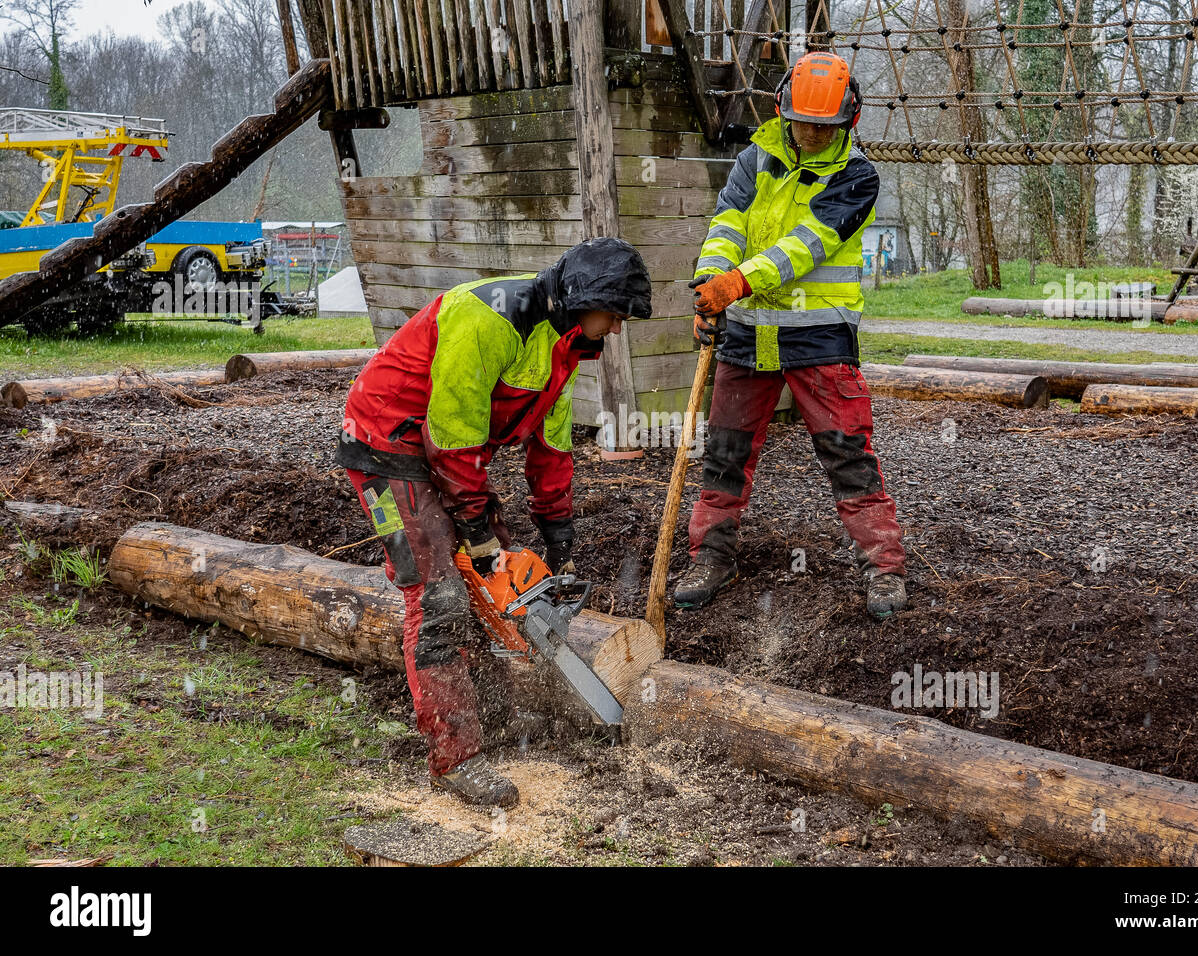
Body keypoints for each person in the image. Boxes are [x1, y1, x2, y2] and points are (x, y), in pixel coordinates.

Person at [335, 237, 652, 807]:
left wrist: (560, 536)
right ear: (585, 299)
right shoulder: (489, 317)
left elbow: (552, 447)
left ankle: (498, 716)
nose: (618, 328)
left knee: (499, 590)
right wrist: (478, 532)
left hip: (453, 453)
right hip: (386, 444)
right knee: (439, 598)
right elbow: (453, 430)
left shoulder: (563, 346)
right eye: (615, 314)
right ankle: (456, 757)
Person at [672, 51, 908, 620]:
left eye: (823, 127)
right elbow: (726, 224)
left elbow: (804, 247)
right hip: (748, 335)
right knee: (724, 453)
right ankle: (712, 556)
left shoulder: (857, 177)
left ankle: (883, 566)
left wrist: (739, 281)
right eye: (804, 122)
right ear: (783, 110)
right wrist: (711, 281)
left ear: (847, 122)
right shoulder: (755, 160)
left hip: (820, 337)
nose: (811, 134)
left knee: (846, 453)